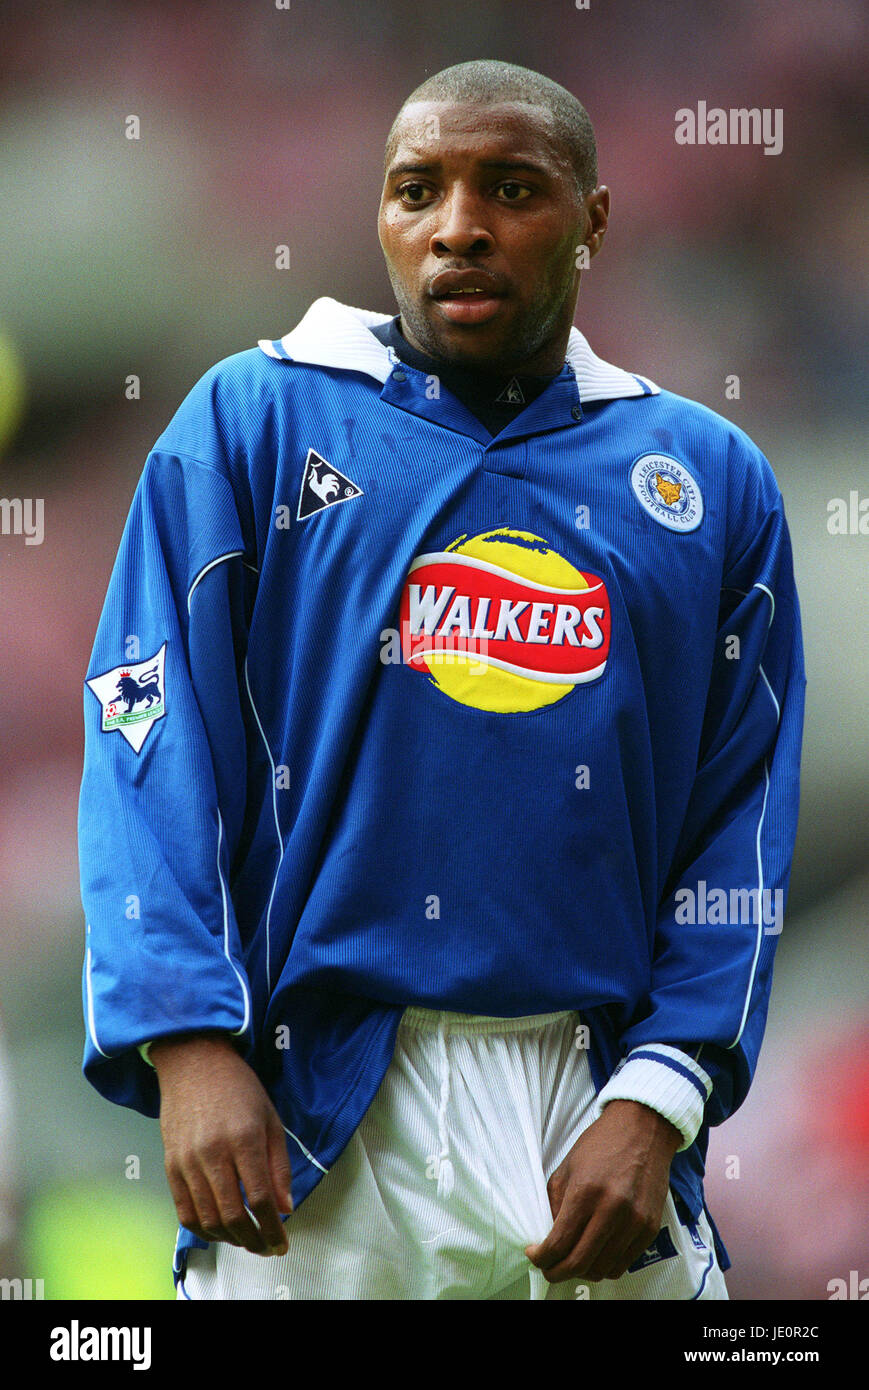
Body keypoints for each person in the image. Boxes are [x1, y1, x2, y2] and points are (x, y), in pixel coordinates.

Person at [79, 60, 805, 1301]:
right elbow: (142, 732)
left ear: (591, 218)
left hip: (594, 1112)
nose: (457, 226)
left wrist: (663, 1093)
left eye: (509, 189)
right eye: (417, 190)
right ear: (380, 214)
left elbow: (738, 816)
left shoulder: (709, 477)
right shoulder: (249, 421)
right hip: (315, 1115)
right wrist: (188, 1041)